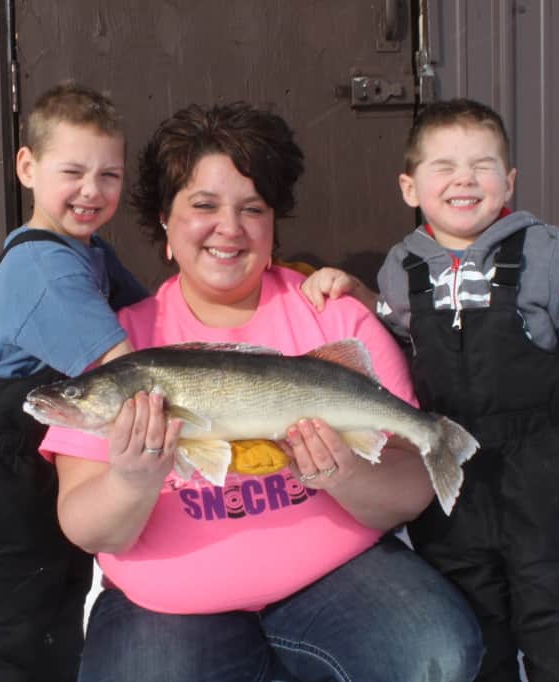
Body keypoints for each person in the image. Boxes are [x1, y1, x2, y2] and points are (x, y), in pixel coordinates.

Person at [40, 101, 483, 682]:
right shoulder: (115, 342)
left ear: (273, 224)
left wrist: (345, 473)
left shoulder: (333, 315)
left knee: (436, 653)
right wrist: (131, 479)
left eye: (252, 208)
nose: (230, 227)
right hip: (169, 607)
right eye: (204, 206)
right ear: (165, 222)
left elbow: (410, 488)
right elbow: (85, 525)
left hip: (334, 577)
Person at [303, 98, 559, 681]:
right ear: (410, 187)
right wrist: (356, 293)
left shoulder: (548, 253)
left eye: (482, 165)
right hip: (449, 466)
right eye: (444, 166)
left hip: (542, 467)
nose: (464, 179)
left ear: (509, 180)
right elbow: (398, 331)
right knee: (473, 611)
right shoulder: (403, 266)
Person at [0, 82, 147, 682]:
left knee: (47, 634)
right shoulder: (46, 270)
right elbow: (134, 374)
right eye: (72, 171)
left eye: (109, 175)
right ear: (27, 167)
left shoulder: (86, 251)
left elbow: (155, 316)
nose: (92, 190)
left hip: (29, 471)